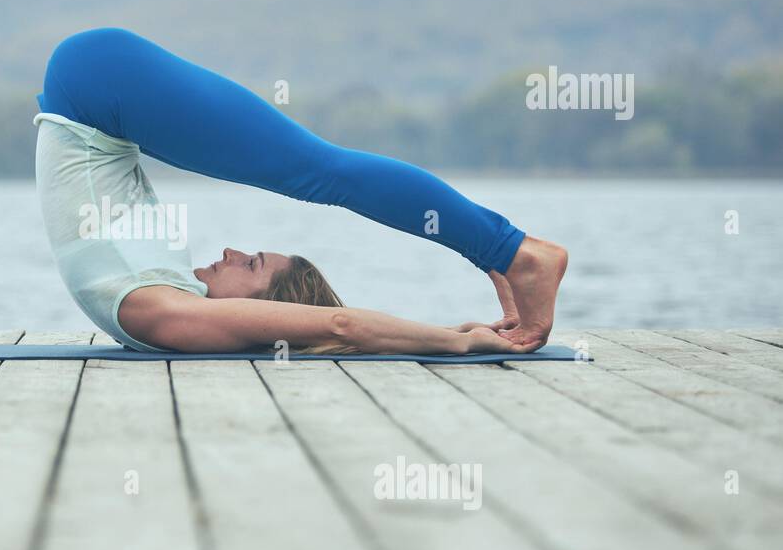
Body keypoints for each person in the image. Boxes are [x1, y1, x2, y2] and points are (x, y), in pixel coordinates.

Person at [34, 28, 567, 355]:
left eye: (251, 265)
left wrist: (452, 336)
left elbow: (337, 326)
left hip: (95, 89)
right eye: (253, 262)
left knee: (321, 172)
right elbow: (338, 325)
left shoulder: (160, 314)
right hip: (96, 87)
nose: (229, 253)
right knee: (320, 173)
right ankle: (512, 254)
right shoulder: (163, 308)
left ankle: (506, 252)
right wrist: (455, 337)